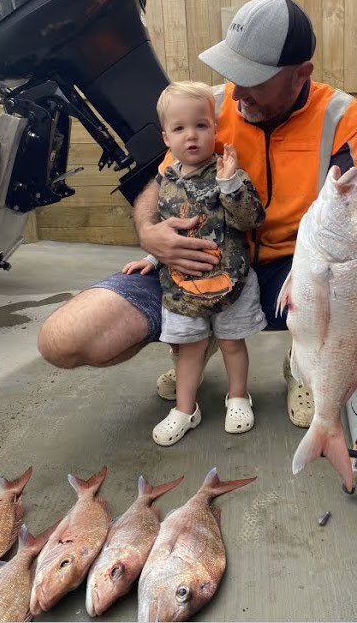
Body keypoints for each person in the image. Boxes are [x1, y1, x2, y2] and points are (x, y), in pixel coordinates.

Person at [38, 0, 357, 429]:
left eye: (255, 79)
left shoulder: (340, 118)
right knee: (64, 339)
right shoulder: (207, 109)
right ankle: (200, 336)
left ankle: (303, 362)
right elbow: (157, 184)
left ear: (301, 75)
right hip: (200, 261)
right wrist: (150, 234)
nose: (238, 92)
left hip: (293, 270)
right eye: (233, 72)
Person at [119, 81, 267, 445]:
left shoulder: (228, 174)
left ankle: (238, 397)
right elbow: (170, 230)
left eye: (201, 125)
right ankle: (185, 409)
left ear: (215, 129)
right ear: (166, 138)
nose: (191, 136)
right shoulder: (167, 181)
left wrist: (230, 184)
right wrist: (152, 257)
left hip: (231, 280)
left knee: (232, 343)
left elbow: (250, 219)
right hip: (183, 287)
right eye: (180, 128)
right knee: (189, 348)